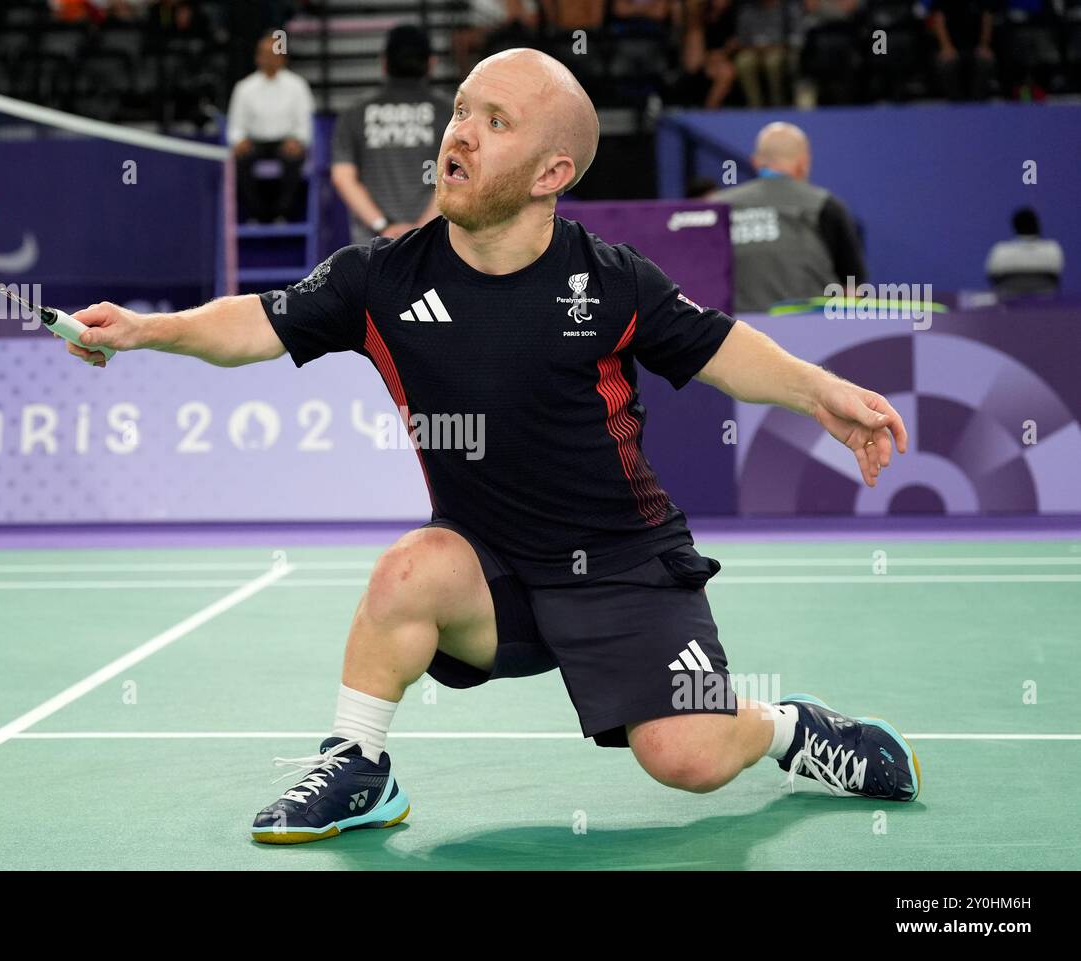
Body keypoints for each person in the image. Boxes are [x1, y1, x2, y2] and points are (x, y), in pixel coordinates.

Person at [67, 49, 919, 845]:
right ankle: (358, 763)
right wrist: (148, 330)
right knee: (408, 566)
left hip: (626, 566)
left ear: (553, 173)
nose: (461, 133)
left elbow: (724, 350)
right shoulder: (383, 276)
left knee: (686, 756)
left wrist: (825, 394)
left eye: (496, 122)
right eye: (462, 111)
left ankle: (789, 727)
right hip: (491, 577)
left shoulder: (610, 278)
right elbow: (258, 319)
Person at [713, 121, 866, 312]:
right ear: (803, 163)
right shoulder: (825, 205)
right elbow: (853, 287)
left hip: (735, 334)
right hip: (813, 334)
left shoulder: (716, 208)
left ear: (756, 162)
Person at [331, 25, 454, 244]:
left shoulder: (354, 113)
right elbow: (457, 176)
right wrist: (420, 229)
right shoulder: (451, 113)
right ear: (431, 63)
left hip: (373, 244)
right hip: (436, 240)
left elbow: (343, 178)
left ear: (384, 63)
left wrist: (382, 225)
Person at [226, 32, 315, 223]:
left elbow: (305, 123)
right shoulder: (244, 88)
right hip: (255, 143)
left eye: (274, 53)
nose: (269, 58)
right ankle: (255, 214)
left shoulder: (297, 86)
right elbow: (236, 126)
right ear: (257, 57)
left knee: (293, 157)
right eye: (265, 53)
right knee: (241, 159)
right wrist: (239, 141)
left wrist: (298, 140)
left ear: (283, 57)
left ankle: (283, 213)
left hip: (286, 142)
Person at [985, 207, 1065, 298]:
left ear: (1015, 227)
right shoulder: (1053, 249)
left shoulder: (1000, 251)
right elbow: (1056, 275)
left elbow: (992, 277)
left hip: (1009, 303)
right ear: (1038, 225)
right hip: (1044, 303)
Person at [927, 0, 996, 101]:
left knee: (986, 61)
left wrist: (984, 45)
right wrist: (946, 47)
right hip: (949, 46)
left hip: (976, 47)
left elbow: (987, 19)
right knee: (948, 64)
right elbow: (938, 20)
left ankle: (978, 103)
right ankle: (957, 103)